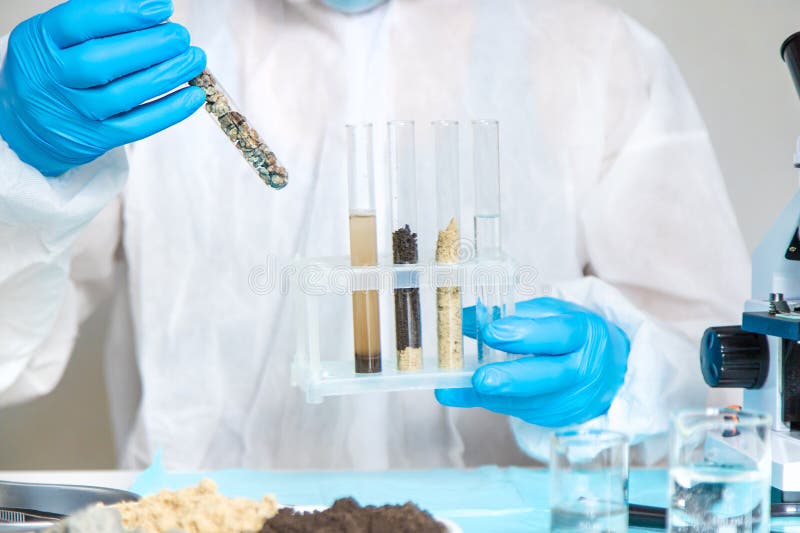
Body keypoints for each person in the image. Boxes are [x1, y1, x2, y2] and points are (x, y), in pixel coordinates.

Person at [0, 0, 749, 470]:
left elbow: (728, 380)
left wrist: (624, 377)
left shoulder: (592, 51)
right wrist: (22, 171)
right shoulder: (136, 57)